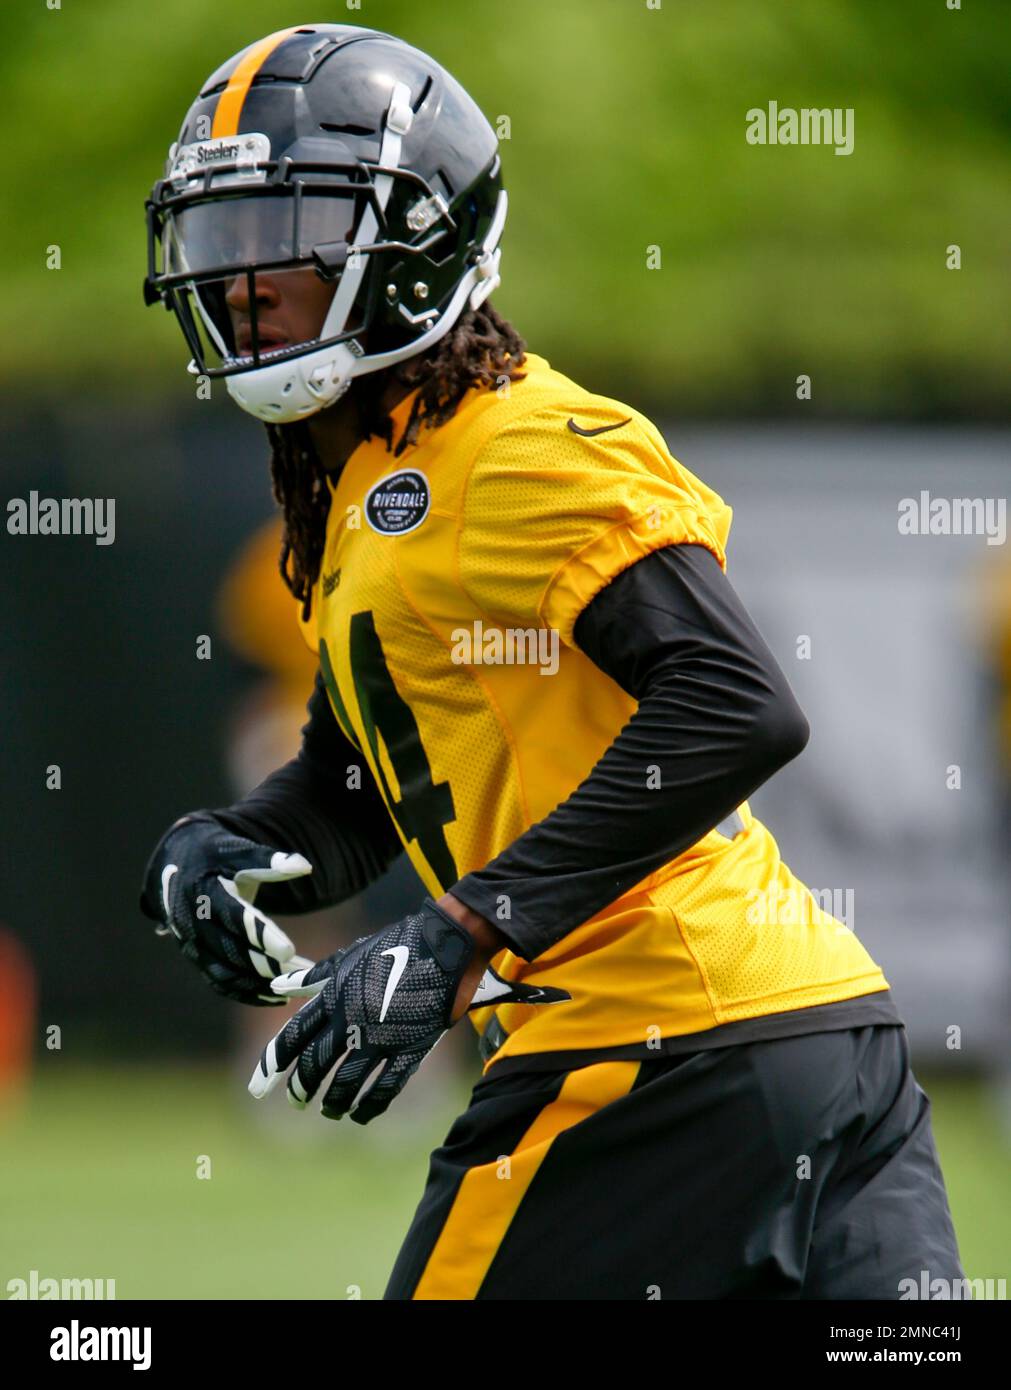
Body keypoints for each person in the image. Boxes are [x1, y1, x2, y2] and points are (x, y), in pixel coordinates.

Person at [140, 22, 965, 1299]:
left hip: (651, 1045)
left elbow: (738, 703)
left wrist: (464, 929)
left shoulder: (518, 443)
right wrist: (234, 846)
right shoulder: (363, 484)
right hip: (810, 1043)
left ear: (414, 248)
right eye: (224, 239)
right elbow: (371, 787)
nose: (240, 281)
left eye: (281, 235)